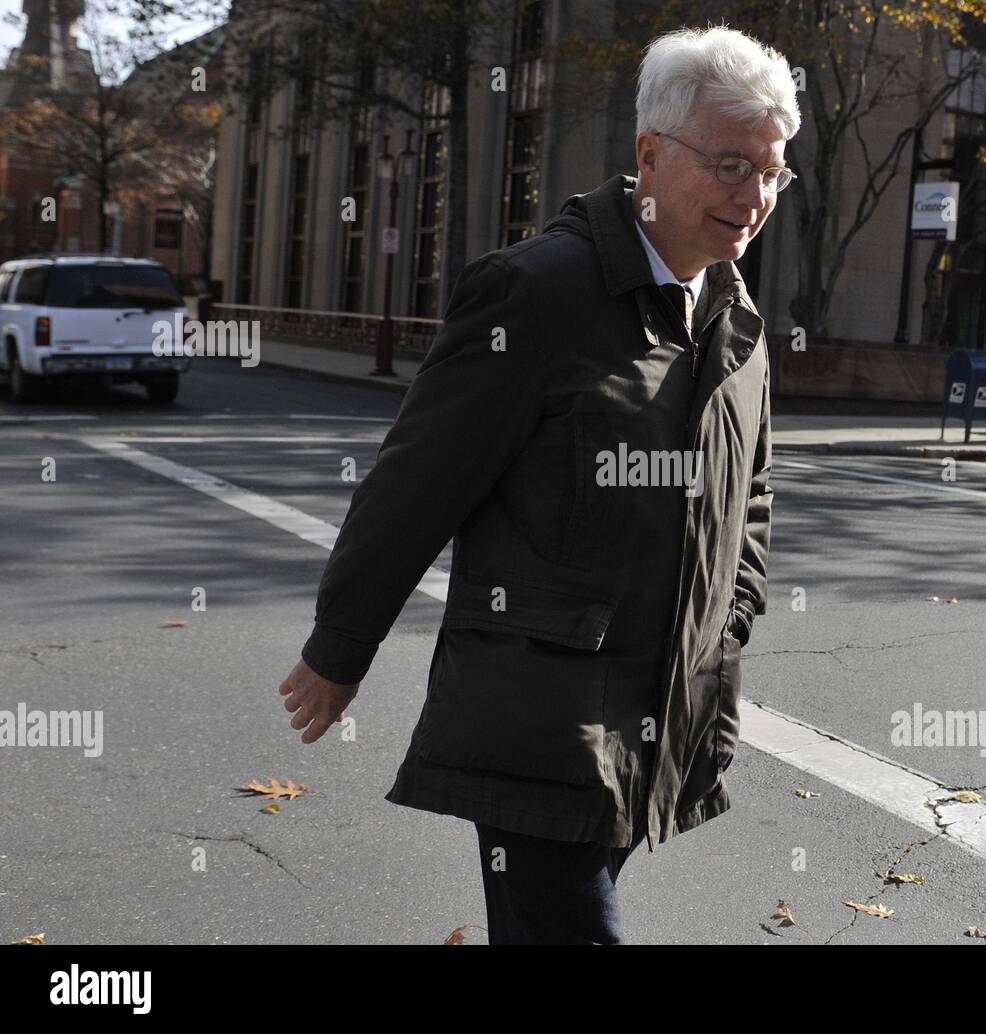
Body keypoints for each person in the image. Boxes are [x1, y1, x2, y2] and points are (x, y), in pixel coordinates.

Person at [277, 24, 801, 944]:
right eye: (730, 166)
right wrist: (341, 645)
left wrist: (729, 623)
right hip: (541, 724)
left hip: (664, 712)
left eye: (771, 172)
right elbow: (415, 485)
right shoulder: (537, 292)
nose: (753, 197)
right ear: (651, 155)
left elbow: (750, 501)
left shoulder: (736, 318)